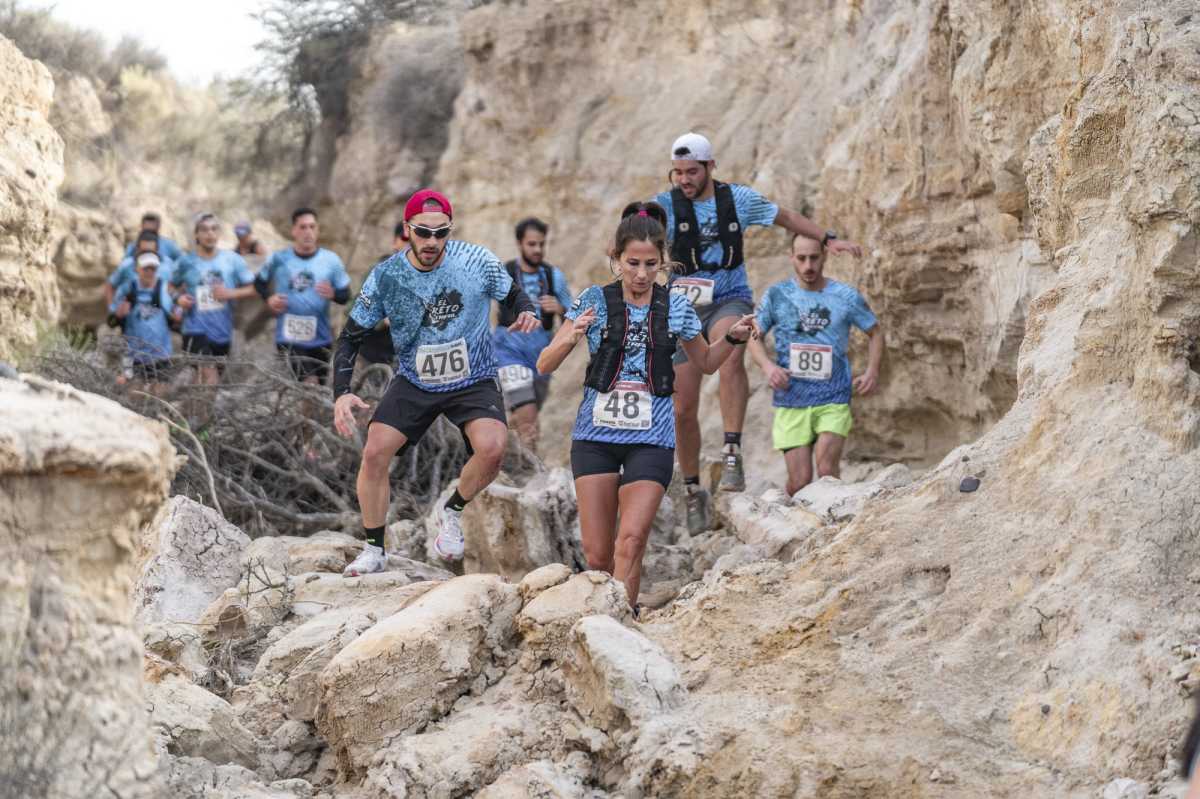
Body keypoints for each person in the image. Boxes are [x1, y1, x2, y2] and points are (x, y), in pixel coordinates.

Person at [536, 201, 756, 613]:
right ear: (616, 259)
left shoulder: (675, 306)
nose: (640, 274)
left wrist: (734, 337)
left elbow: (706, 363)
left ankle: (623, 621)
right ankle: (603, 617)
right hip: (595, 437)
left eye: (650, 264)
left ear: (663, 262)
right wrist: (570, 337)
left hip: (651, 439)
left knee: (632, 540)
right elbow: (544, 363)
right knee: (597, 554)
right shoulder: (593, 300)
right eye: (632, 263)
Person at [654, 131, 864, 534]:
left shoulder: (738, 200)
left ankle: (732, 449)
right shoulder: (665, 205)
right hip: (680, 306)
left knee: (732, 352)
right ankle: (694, 488)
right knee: (682, 408)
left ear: (710, 167)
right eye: (677, 172)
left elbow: (786, 217)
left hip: (728, 297)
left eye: (692, 171)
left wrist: (828, 238)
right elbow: (639, 228)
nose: (684, 179)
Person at [331, 189, 539, 576]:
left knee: (493, 449)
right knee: (375, 452)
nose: (431, 242)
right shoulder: (387, 276)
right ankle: (374, 549)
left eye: (440, 233)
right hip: (416, 379)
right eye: (422, 233)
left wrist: (526, 311)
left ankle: (452, 510)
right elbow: (351, 337)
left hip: (472, 377)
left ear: (450, 230)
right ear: (407, 229)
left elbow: (514, 295)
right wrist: (341, 394)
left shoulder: (476, 260)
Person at [747, 233, 882, 495]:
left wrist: (872, 372)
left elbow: (876, 332)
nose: (808, 266)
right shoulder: (777, 295)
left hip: (833, 397)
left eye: (814, 258)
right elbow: (754, 336)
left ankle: (835, 528)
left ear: (825, 256)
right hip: (791, 398)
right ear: (791, 258)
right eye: (801, 259)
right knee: (799, 481)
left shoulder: (845, 296)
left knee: (826, 470)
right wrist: (768, 367)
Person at [491, 217, 573, 452]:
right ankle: (531, 474)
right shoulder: (502, 275)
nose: (537, 250)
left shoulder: (553, 276)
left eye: (541, 244)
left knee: (523, 416)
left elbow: (575, 319)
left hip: (541, 358)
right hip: (508, 353)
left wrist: (559, 308)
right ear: (519, 244)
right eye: (531, 244)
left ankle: (511, 463)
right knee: (529, 419)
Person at [255, 207, 351, 386]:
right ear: (294, 231)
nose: (308, 232)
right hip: (288, 337)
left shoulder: (331, 260)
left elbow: (346, 295)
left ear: (318, 230)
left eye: (312, 227)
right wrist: (269, 298)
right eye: (303, 227)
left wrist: (333, 294)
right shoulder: (279, 258)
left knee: (316, 388)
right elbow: (259, 283)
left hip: (321, 337)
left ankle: (303, 414)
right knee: (309, 382)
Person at [171, 213, 256, 386]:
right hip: (194, 330)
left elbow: (254, 288)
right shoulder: (186, 262)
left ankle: (191, 412)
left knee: (205, 384)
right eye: (204, 230)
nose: (209, 234)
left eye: (213, 229)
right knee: (210, 378)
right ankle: (196, 412)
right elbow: (169, 286)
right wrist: (178, 298)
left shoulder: (233, 260)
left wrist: (230, 294)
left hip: (222, 332)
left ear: (219, 233)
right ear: (196, 235)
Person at [106, 252, 182, 394]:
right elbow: (112, 319)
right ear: (137, 269)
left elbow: (176, 312)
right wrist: (118, 313)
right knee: (135, 394)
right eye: (146, 268)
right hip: (134, 355)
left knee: (160, 393)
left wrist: (178, 313)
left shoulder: (164, 288)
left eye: (152, 269)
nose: (149, 272)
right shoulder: (127, 289)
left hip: (161, 353)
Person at [105, 230, 174, 307]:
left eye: (151, 251)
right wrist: (112, 309)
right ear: (137, 249)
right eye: (144, 251)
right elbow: (110, 285)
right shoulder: (126, 265)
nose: (147, 254)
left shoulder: (167, 265)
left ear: (157, 250)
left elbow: (173, 288)